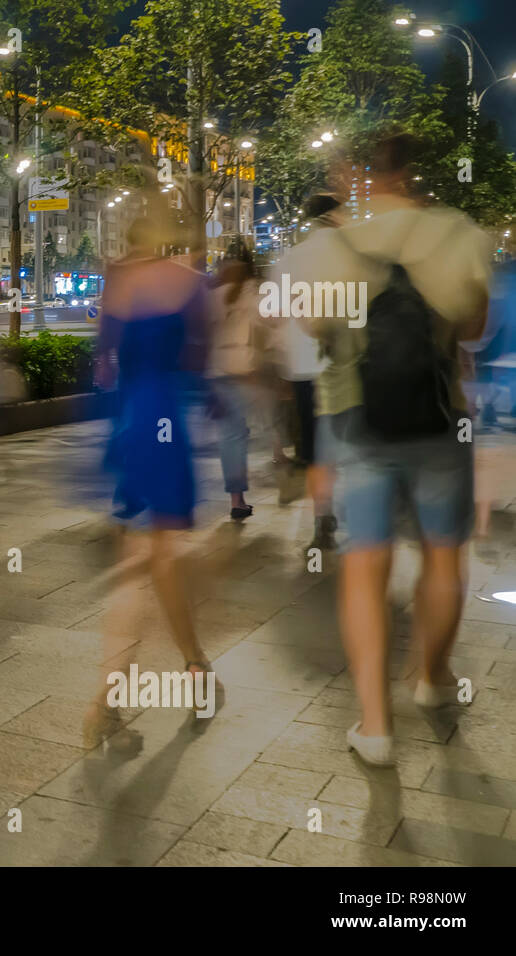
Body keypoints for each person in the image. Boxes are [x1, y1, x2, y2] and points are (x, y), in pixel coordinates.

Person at [295, 132, 491, 767]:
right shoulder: (455, 232)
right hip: (441, 420)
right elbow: (474, 326)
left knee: (364, 566)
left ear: (356, 173)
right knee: (443, 557)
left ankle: (375, 727)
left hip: (358, 422)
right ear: (413, 172)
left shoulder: (331, 242)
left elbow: (313, 328)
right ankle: (432, 678)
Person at [86, 215, 219, 754]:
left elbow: (102, 365)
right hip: (166, 422)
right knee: (160, 556)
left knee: (137, 560)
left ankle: (121, 692)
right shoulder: (188, 281)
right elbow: (199, 359)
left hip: (131, 422)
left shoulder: (117, 280)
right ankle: (185, 668)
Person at [269, 193, 341, 551]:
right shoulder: (351, 253)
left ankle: (321, 517)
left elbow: (275, 317)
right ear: (334, 214)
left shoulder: (289, 259)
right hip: (346, 367)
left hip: (303, 368)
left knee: (314, 449)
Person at [207, 248, 267, 521]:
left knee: (230, 437)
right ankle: (239, 498)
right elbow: (265, 329)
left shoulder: (214, 297)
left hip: (218, 374)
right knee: (240, 436)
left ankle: (236, 498)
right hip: (245, 373)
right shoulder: (251, 294)